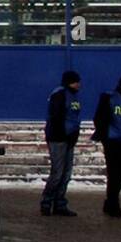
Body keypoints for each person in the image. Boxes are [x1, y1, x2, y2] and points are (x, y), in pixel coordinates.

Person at [42, 70, 82, 217]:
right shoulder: (60, 94)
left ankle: (59, 203)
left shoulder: (73, 95)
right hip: (59, 138)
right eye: (76, 81)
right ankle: (47, 202)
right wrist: (65, 134)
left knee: (66, 173)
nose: (79, 84)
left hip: (68, 138)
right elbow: (57, 117)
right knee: (58, 173)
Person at [92, 74, 121, 218]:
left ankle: (111, 202)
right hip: (113, 141)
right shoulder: (110, 98)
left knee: (120, 174)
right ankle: (113, 204)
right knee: (115, 174)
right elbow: (99, 118)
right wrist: (105, 137)